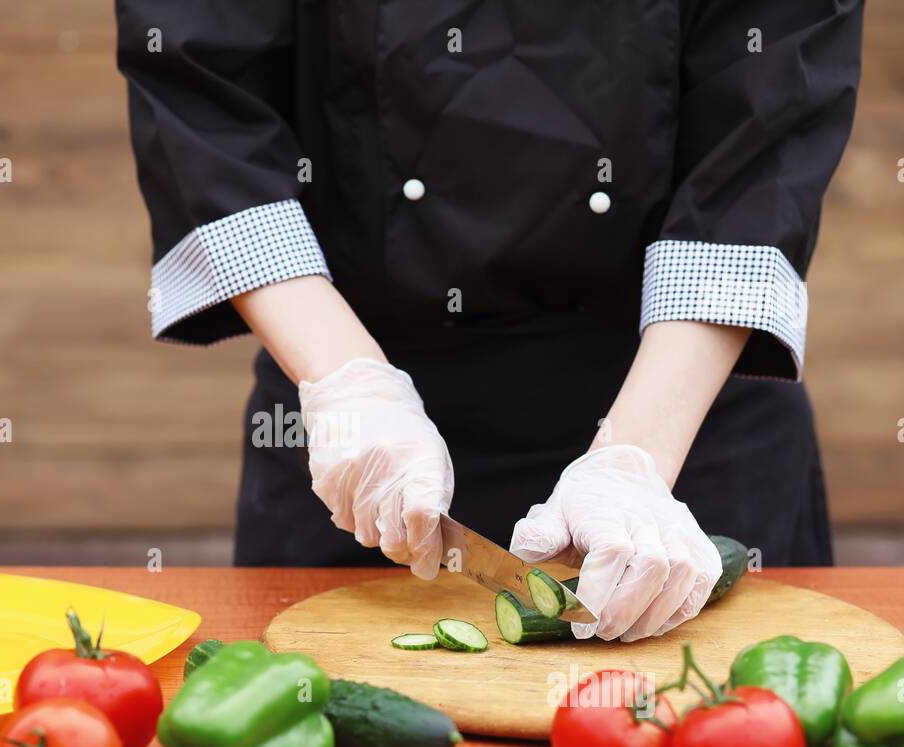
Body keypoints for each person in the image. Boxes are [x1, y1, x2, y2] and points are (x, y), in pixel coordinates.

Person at [115, 2, 863, 641]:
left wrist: (635, 463)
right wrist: (347, 381)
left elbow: (771, 123)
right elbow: (197, 85)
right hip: (356, 446)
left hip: (683, 431)